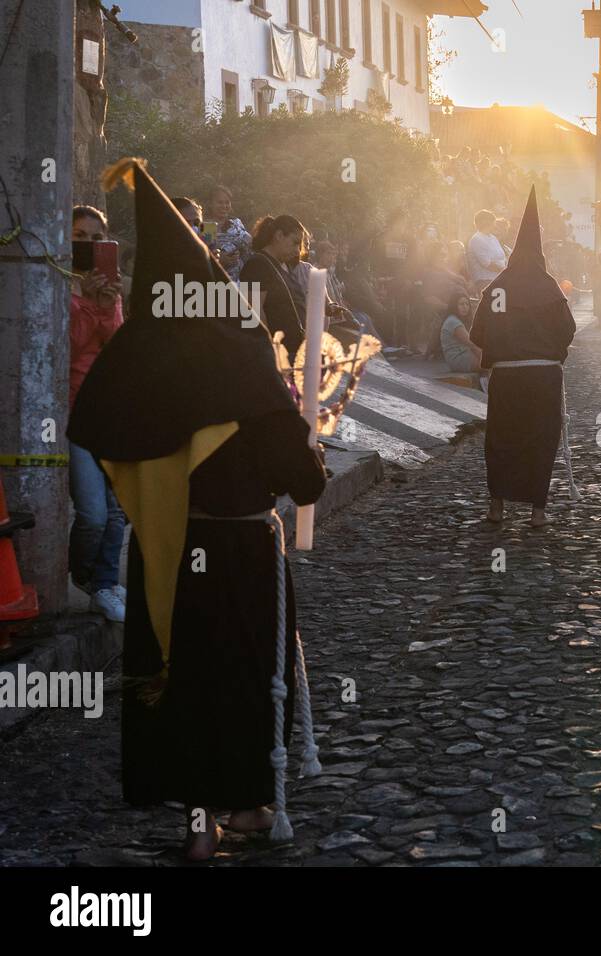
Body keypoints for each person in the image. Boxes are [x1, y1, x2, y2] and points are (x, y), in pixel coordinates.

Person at [68, 159, 327, 862]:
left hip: (166, 553)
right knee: (240, 676)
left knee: (181, 678)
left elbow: (96, 424)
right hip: (242, 556)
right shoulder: (243, 359)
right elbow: (302, 484)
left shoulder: (139, 366)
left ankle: (195, 823)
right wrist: (309, 446)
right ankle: (247, 805)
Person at [470, 188, 577, 527]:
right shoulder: (549, 287)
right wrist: (554, 354)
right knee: (539, 439)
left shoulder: (498, 287)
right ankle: (537, 511)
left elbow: (478, 333)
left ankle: (497, 507)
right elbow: (567, 329)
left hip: (508, 377)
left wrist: (500, 350)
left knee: (503, 438)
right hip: (543, 377)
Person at [69, 204, 127, 622]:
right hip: (73, 414)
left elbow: (118, 350)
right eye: (80, 237)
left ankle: (104, 584)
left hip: (109, 410)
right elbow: (66, 346)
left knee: (117, 511)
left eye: (95, 238)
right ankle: (84, 576)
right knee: (92, 513)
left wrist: (107, 305)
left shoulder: (107, 292)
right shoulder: (56, 282)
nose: (87, 245)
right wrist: (90, 304)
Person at [239, 214, 309, 357]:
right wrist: (271, 351)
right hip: (276, 355)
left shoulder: (279, 266)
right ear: (279, 235)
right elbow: (253, 313)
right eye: (295, 242)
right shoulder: (258, 264)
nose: (298, 250)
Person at [209, 185, 252, 280]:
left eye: (227, 202)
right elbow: (206, 253)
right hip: (215, 280)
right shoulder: (206, 226)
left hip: (238, 280)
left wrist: (237, 253)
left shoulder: (236, 223)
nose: (224, 206)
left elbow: (248, 245)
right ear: (210, 204)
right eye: (219, 202)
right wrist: (220, 259)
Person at [467, 209, 507, 297]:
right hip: (485, 281)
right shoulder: (476, 239)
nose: (495, 224)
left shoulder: (493, 238)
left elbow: (502, 258)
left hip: (499, 279)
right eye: (493, 221)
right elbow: (487, 264)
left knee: (502, 308)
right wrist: (506, 271)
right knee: (492, 308)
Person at [440, 294, 483, 374]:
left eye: (467, 304)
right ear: (454, 306)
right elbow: (472, 344)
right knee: (489, 364)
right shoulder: (453, 322)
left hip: (463, 354)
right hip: (459, 358)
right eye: (461, 304)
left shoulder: (456, 319)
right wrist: (486, 357)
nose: (465, 307)